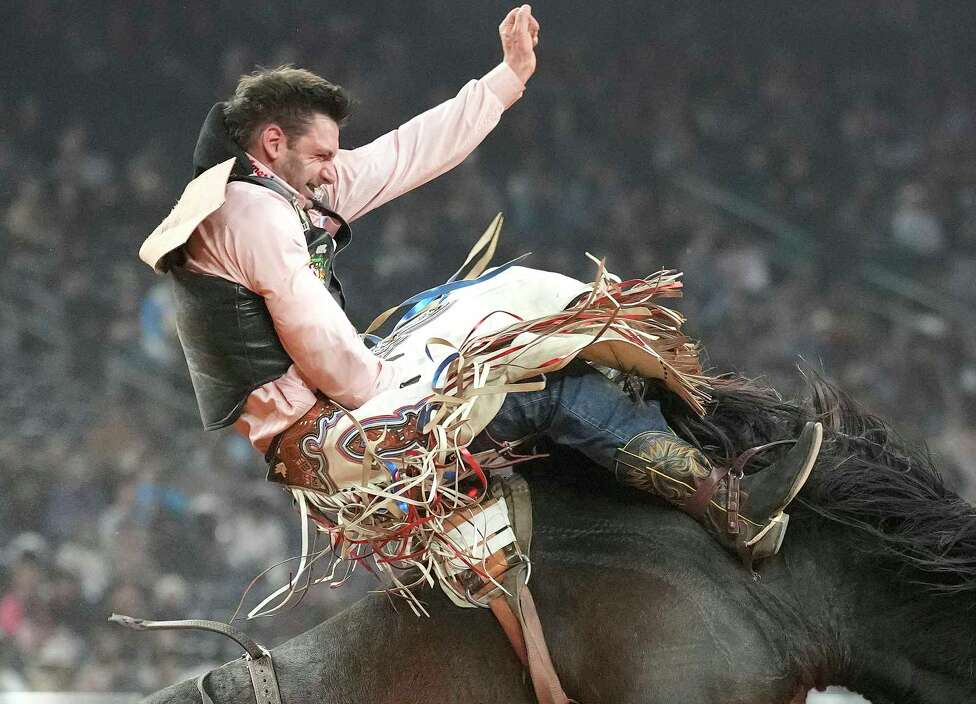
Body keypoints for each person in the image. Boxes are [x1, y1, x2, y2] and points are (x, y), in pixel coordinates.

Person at [141, 6, 818, 562]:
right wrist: (405, 398)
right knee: (550, 384)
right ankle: (730, 509)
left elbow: (406, 152)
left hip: (329, 421)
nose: (331, 170)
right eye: (321, 155)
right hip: (333, 440)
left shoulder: (278, 188)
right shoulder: (251, 212)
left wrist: (506, 78)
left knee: (513, 317)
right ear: (269, 144)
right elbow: (317, 339)